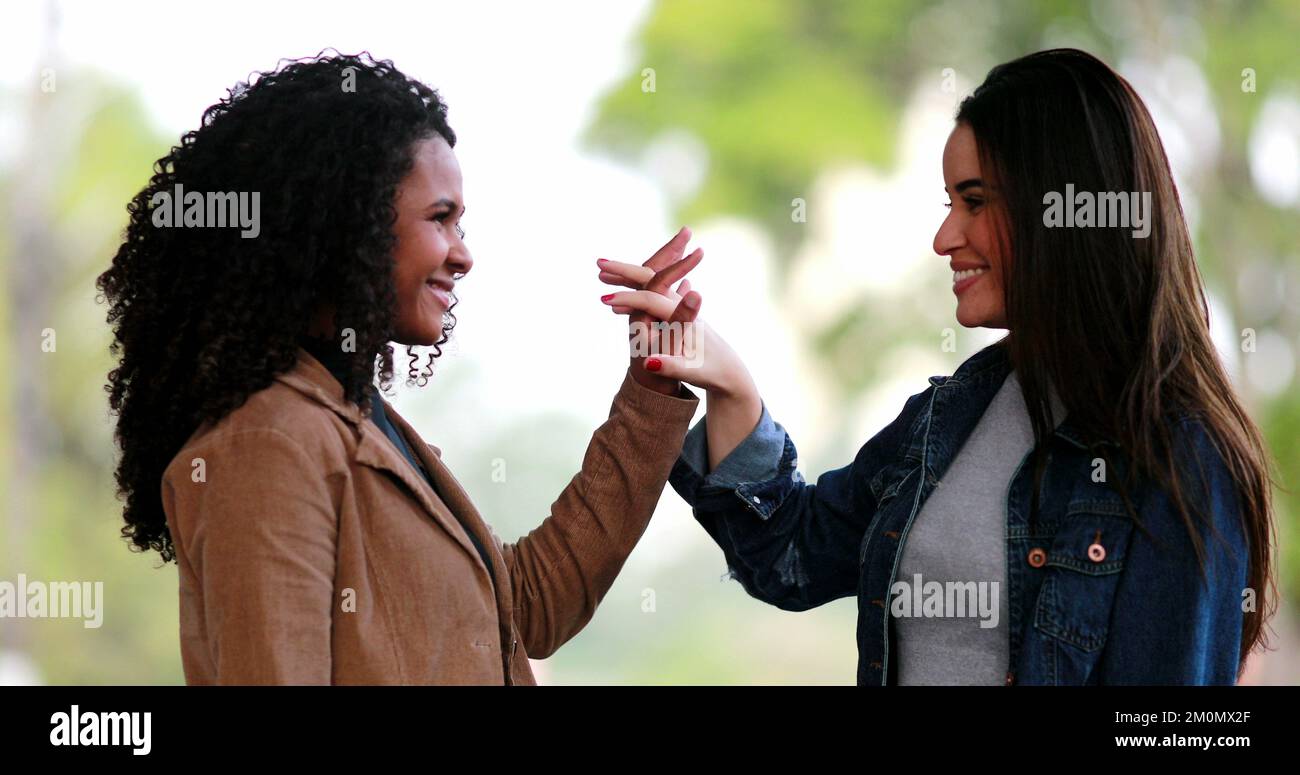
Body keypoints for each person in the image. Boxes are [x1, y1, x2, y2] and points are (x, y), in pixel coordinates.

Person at [598, 48, 1277, 685]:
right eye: (948, 202)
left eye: (975, 202)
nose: (944, 237)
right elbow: (789, 559)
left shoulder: (1181, 454)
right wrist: (729, 382)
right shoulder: (954, 415)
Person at [97, 51, 704, 684]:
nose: (463, 255)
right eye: (441, 218)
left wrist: (650, 383)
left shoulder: (358, 420)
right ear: (344, 225)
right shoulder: (269, 444)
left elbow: (528, 607)